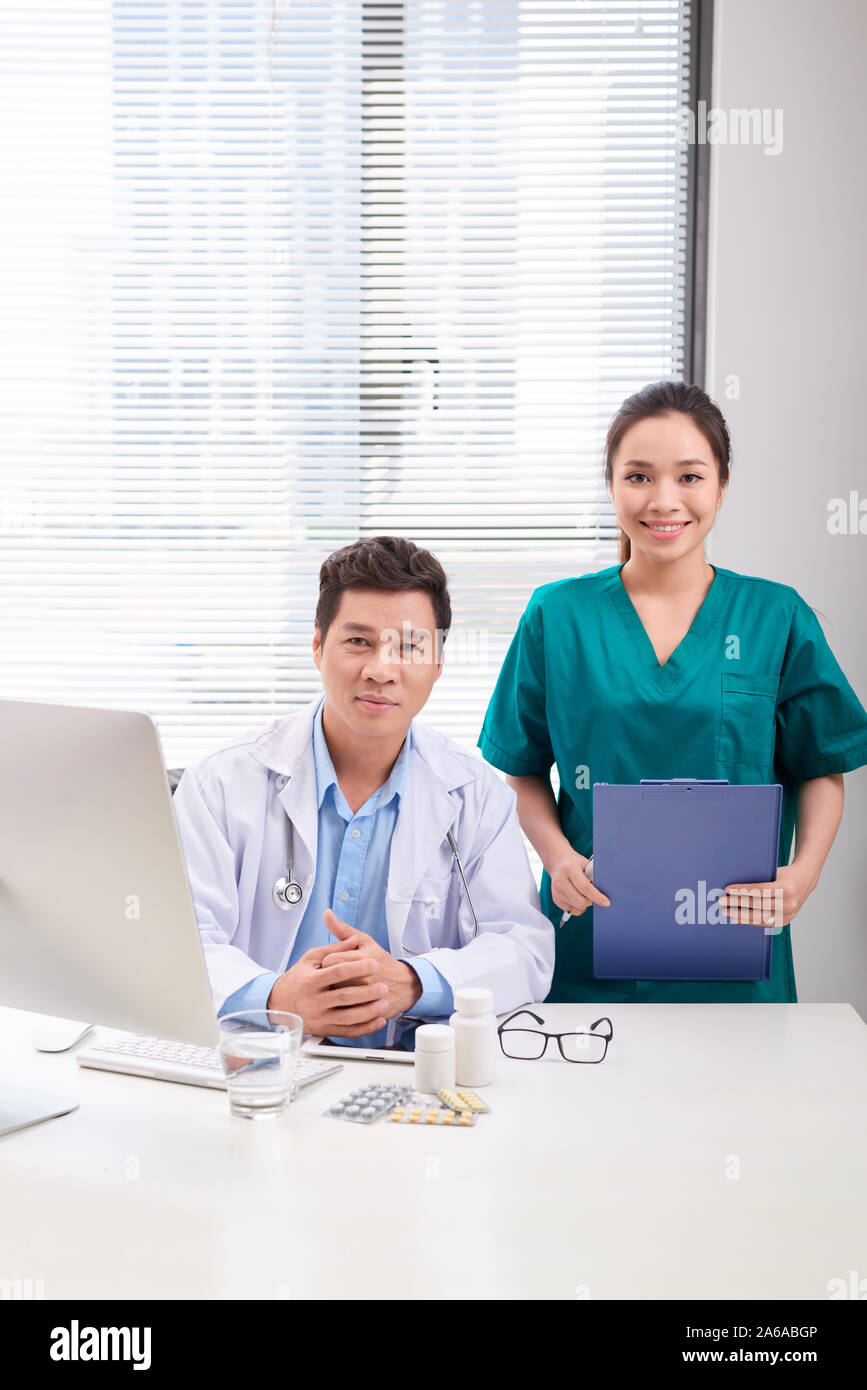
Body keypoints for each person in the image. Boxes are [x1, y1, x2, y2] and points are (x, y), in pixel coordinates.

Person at [478, 380, 867, 1004]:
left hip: (738, 957)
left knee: (740, 1100)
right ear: (610, 485)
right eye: (638, 477)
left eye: (689, 476)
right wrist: (556, 859)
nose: (664, 501)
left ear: (722, 486)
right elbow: (521, 770)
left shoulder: (777, 616)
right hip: (592, 945)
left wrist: (805, 872)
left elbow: (822, 765)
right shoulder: (557, 616)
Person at [172, 535, 553, 1043]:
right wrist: (276, 997)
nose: (380, 670)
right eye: (358, 642)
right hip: (264, 1065)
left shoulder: (476, 796)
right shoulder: (220, 783)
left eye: (411, 646)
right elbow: (178, 941)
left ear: (438, 661)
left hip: (414, 1076)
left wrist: (415, 982)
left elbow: (523, 949)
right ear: (317, 646)